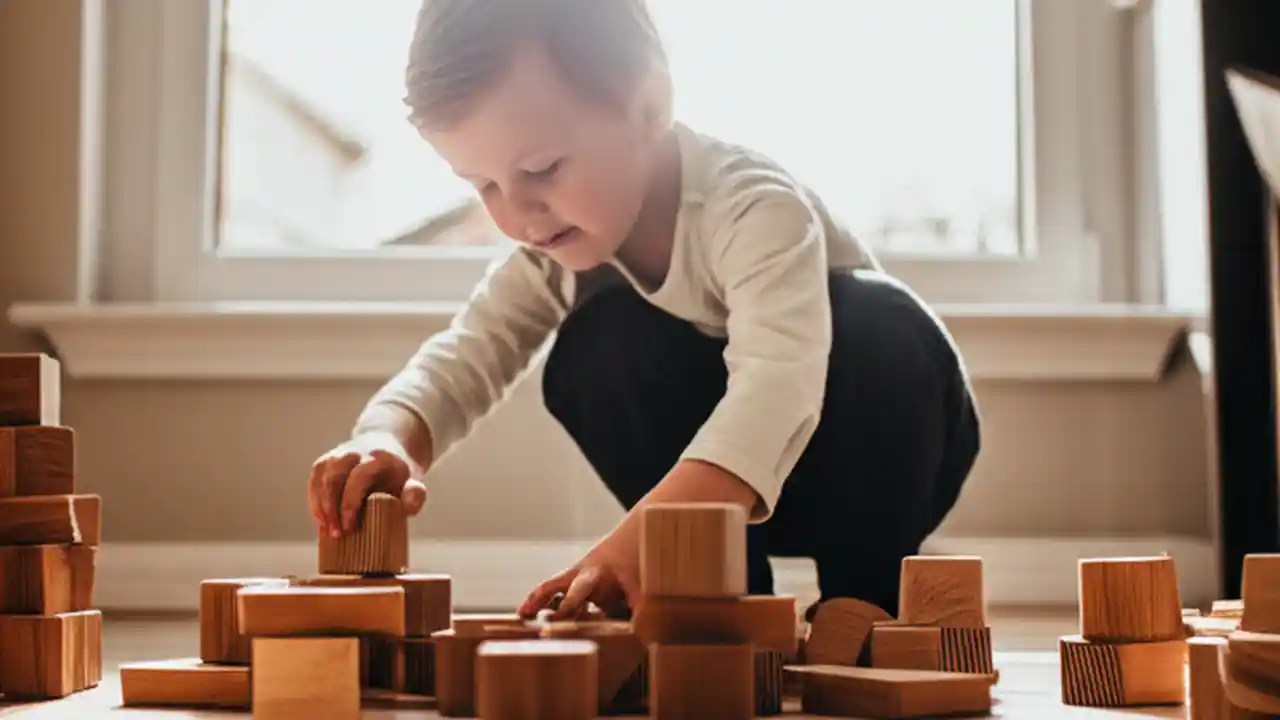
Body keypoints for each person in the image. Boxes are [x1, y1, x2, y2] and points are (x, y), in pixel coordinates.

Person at [307, 0, 980, 621]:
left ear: (650, 105)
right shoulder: (559, 252)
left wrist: (640, 538)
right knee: (596, 347)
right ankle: (717, 590)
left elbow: (780, 390)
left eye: (542, 169)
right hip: (734, 507)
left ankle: (865, 596)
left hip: (874, 461)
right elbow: (466, 356)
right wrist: (387, 437)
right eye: (483, 185)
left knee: (885, 324)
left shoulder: (752, 206)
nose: (516, 214)